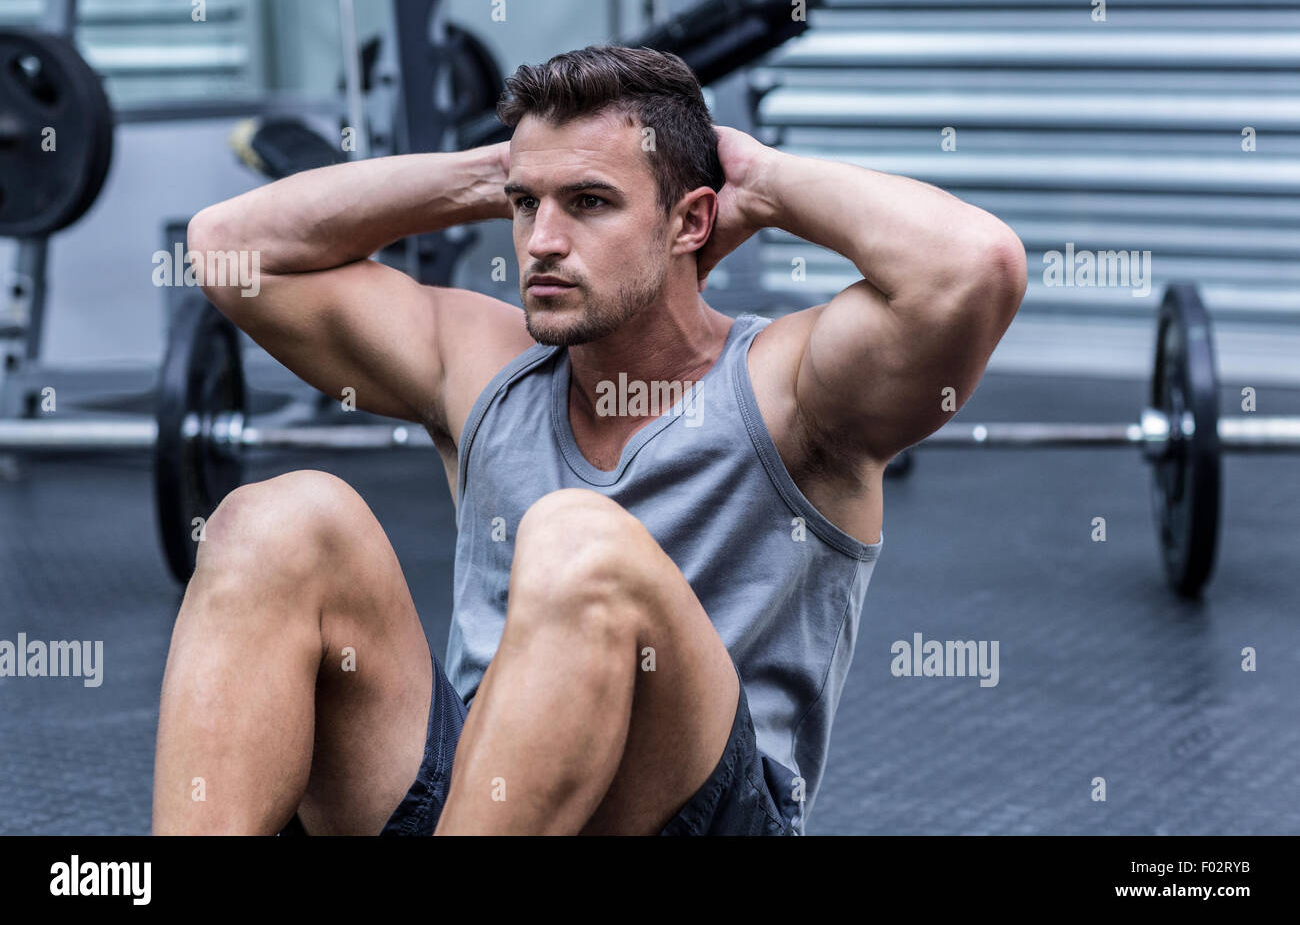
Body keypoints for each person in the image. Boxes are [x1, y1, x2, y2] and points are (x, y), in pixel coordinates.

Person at [152, 44, 1026, 835]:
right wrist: (492, 172)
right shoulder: (482, 365)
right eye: (526, 205)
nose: (542, 241)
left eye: (590, 203)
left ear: (690, 222)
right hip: (482, 801)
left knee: (579, 543)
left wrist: (760, 179)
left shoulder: (794, 391)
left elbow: (973, 265)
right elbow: (230, 247)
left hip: (695, 813)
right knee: (275, 522)